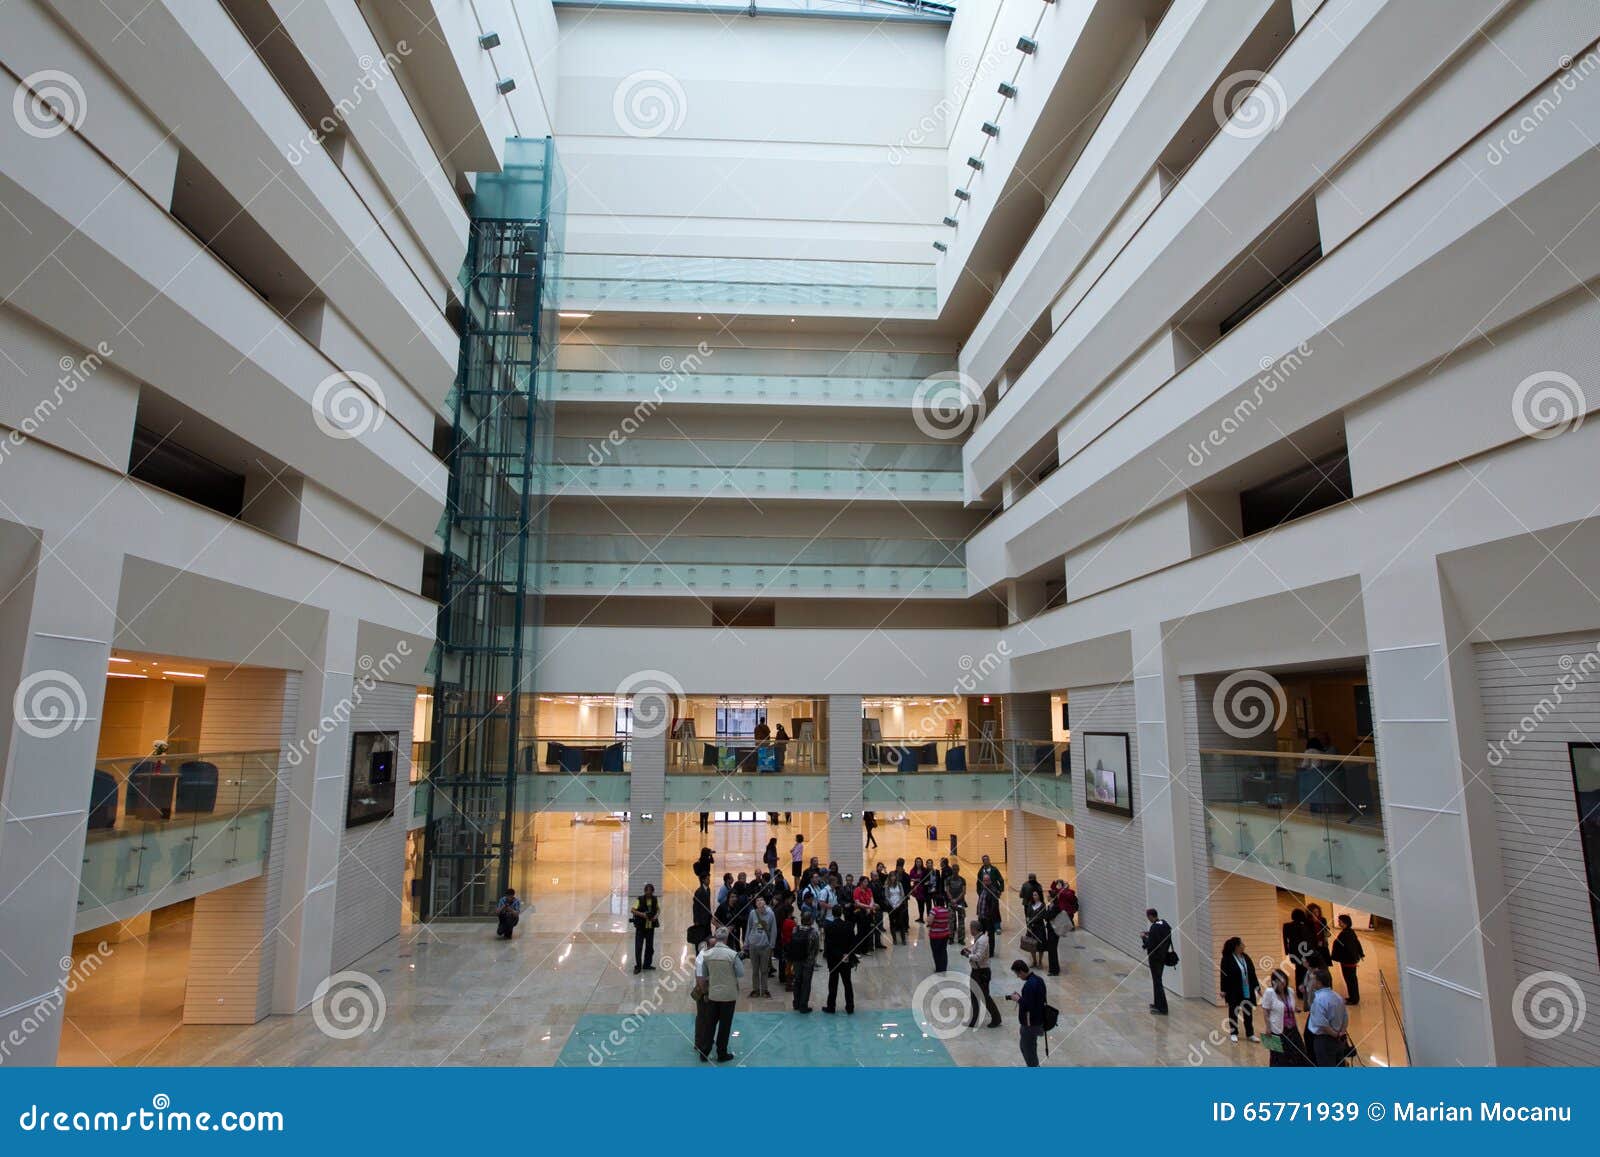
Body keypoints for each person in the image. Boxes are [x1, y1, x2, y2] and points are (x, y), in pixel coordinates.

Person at [694, 928, 744, 1063]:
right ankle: (722, 1053)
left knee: (710, 1024)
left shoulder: (707, 955)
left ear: (716, 938)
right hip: (728, 995)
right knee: (724, 1025)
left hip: (713, 994)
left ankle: (704, 1052)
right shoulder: (732, 954)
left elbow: (704, 974)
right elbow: (740, 973)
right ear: (726, 938)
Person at [1258, 968, 1308, 1067]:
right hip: (1276, 1029)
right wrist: (1268, 1027)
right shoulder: (1269, 992)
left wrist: (1295, 1009)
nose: (1282, 983)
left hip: (1292, 1029)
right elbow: (1265, 1010)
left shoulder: (1290, 991)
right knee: (1278, 1057)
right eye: (1279, 981)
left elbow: (1290, 1006)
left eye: (1284, 980)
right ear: (1274, 982)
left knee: (1298, 1054)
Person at [1305, 967, 1350, 1067]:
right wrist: (1340, 1033)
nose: (1311, 982)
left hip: (1324, 1040)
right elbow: (1345, 1017)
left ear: (1319, 983)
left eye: (1313, 980)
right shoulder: (1338, 997)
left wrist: (1334, 1034)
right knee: (1339, 1064)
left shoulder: (1318, 1000)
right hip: (1339, 1039)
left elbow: (1322, 1023)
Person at [961, 921, 1002, 1027]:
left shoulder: (982, 940)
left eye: (970, 928)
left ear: (974, 929)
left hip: (981, 972)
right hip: (977, 971)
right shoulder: (979, 939)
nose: (970, 930)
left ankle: (996, 1018)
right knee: (974, 996)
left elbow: (978, 957)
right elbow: (977, 954)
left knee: (984, 997)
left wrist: (967, 955)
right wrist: (969, 953)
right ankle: (974, 1020)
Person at [1218, 935, 1259, 1042]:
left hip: (1247, 989)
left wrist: (1257, 986)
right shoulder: (1227, 959)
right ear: (1236, 946)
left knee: (1248, 1011)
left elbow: (1252, 972)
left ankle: (1250, 1034)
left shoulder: (1246, 957)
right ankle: (1234, 1032)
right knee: (1234, 1011)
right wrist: (1223, 990)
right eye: (1242, 944)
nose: (1244, 945)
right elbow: (1223, 975)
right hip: (1234, 990)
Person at [1007, 959, 1047, 1067]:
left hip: (1030, 1024)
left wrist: (1018, 999)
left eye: (1017, 974)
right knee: (1026, 1047)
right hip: (1039, 1020)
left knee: (1029, 1051)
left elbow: (1029, 1006)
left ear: (1021, 971)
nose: (1018, 977)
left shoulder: (1029, 985)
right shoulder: (1039, 980)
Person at [822, 905, 856, 1014]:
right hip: (846, 959)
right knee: (847, 983)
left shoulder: (829, 927)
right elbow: (853, 943)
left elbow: (828, 946)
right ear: (841, 913)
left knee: (833, 984)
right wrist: (847, 954)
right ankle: (850, 1007)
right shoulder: (849, 926)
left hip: (834, 960)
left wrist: (838, 955)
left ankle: (831, 1006)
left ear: (833, 914)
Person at [1142, 908, 1173, 1015]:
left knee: (1157, 982)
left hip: (1155, 959)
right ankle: (1157, 1004)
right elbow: (1160, 938)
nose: (1148, 919)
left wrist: (1144, 938)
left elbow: (1150, 944)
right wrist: (1150, 934)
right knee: (1157, 981)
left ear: (1151, 916)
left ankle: (1163, 1008)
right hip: (1162, 957)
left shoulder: (1154, 927)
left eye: (1148, 917)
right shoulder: (1164, 924)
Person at [1331, 913, 1365, 1004]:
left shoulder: (1346, 934)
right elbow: (1356, 944)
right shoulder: (1349, 932)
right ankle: (1353, 997)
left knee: (1350, 980)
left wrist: (1354, 958)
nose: (1339, 923)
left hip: (1348, 961)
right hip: (1349, 960)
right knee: (1351, 980)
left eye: (1340, 921)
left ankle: (1354, 999)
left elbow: (1350, 948)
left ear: (1345, 923)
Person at [745, 897, 777, 996]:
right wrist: (746, 943)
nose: (760, 908)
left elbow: (773, 930)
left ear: (765, 904)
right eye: (758, 903)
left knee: (764, 970)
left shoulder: (771, 914)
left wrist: (771, 945)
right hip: (753, 945)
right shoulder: (752, 913)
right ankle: (755, 989)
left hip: (765, 946)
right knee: (755, 970)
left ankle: (764, 990)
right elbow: (749, 927)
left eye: (761, 902)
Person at [789, 911, 820, 1012]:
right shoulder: (813, 932)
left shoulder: (795, 929)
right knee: (806, 983)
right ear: (811, 920)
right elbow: (816, 948)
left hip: (796, 959)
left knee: (797, 981)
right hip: (808, 961)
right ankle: (803, 1005)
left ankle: (796, 1003)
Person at [976, 856, 1005, 953]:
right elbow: (978, 882)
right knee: (982, 931)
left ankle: (997, 926)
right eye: (984, 860)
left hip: (993, 894)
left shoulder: (994, 870)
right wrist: (979, 892)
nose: (986, 861)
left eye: (987, 860)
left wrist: (1000, 890)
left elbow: (1001, 880)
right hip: (984, 895)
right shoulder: (981, 871)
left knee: (995, 911)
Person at [631, 883, 660, 973]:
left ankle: (647, 965)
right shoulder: (639, 899)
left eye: (650, 892)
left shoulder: (654, 899)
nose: (649, 894)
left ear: (652, 892)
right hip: (641, 927)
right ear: (644, 891)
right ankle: (638, 966)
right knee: (638, 947)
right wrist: (642, 915)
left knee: (649, 947)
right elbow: (632, 910)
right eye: (647, 892)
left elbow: (658, 909)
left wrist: (656, 916)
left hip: (650, 927)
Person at [1023, 891, 1049, 971]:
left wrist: (1032, 920)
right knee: (1032, 945)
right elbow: (1027, 915)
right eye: (1033, 895)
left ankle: (1040, 961)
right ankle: (1034, 961)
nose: (1034, 896)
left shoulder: (1042, 905)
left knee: (1040, 945)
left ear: (1039, 896)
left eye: (1035, 895)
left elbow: (1042, 916)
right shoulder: (1030, 904)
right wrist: (1028, 925)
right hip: (1031, 928)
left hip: (1040, 928)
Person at [927, 897, 952, 973]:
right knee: (943, 951)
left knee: (936, 952)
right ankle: (943, 968)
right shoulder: (947, 910)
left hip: (935, 935)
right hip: (945, 934)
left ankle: (938, 968)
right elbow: (949, 921)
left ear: (936, 902)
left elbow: (929, 922)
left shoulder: (934, 910)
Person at [946, 865, 968, 944]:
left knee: (961, 921)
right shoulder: (948, 879)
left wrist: (956, 900)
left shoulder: (962, 880)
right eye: (953, 869)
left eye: (956, 869)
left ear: (958, 870)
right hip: (951, 903)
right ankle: (951, 938)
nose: (955, 871)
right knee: (950, 922)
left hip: (960, 903)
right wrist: (952, 900)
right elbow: (947, 890)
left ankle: (961, 939)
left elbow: (963, 892)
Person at [692, 880, 714, 949]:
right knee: (700, 937)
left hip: (707, 918)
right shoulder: (699, 892)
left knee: (708, 935)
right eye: (707, 879)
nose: (709, 880)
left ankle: (708, 949)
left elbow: (708, 904)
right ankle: (699, 951)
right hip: (701, 919)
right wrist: (696, 920)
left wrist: (710, 914)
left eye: (709, 878)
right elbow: (695, 907)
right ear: (703, 880)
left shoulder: (708, 889)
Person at [910, 857, 927, 923]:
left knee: (922, 904)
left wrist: (918, 880)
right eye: (917, 862)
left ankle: (922, 918)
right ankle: (920, 917)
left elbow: (926, 879)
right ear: (915, 862)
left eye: (919, 862)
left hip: (923, 889)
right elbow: (910, 878)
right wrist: (916, 880)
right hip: (916, 889)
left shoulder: (924, 870)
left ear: (921, 862)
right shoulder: (913, 870)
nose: (918, 863)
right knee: (919, 903)